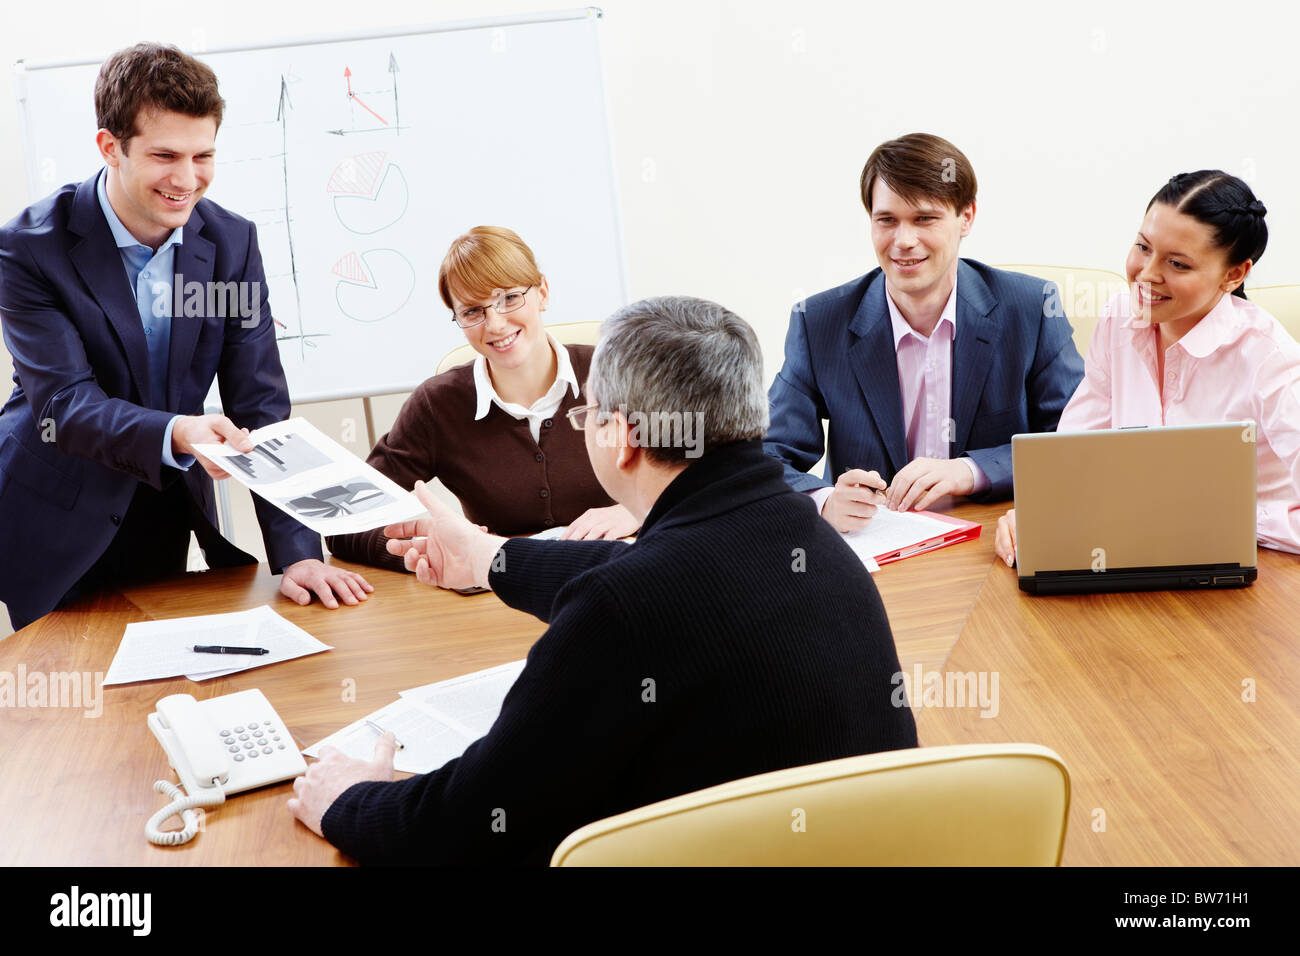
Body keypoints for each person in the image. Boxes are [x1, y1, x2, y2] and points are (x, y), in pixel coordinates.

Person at [288, 295, 920, 865]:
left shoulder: (625, 608)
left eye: (588, 414)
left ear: (620, 437)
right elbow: (657, 573)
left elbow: (467, 825)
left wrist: (347, 800)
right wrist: (484, 556)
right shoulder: (807, 536)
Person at [0, 43, 370, 632]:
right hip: (54, 508)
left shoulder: (231, 244)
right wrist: (178, 430)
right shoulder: (29, 248)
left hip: (159, 502)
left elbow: (260, 406)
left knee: (154, 689)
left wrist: (298, 554)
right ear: (110, 147)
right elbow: (64, 405)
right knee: (71, 705)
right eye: (164, 155)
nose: (186, 179)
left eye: (203, 155)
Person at [764, 132, 1084, 532]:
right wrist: (823, 499)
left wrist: (971, 470)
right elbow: (766, 456)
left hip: (993, 538)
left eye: (924, 219)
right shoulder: (820, 322)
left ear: (966, 217)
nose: (903, 241)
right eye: (887, 220)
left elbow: (1076, 443)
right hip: (877, 551)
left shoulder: (1031, 308)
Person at [995, 171, 1300, 563]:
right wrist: (1038, 515)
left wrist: (1225, 521)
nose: (1147, 274)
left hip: (1258, 574)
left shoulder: (1270, 359)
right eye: (1143, 247)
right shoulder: (1120, 317)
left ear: (1234, 274)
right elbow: (1075, 451)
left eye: (1177, 263)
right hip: (1139, 554)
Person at [325, 226, 636, 570]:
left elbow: (702, 474)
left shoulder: (616, 371)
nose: (496, 324)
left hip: (620, 579)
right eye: (473, 311)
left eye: (509, 298)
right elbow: (344, 524)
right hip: (505, 594)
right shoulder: (437, 406)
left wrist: (637, 511)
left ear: (543, 293)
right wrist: (428, 547)